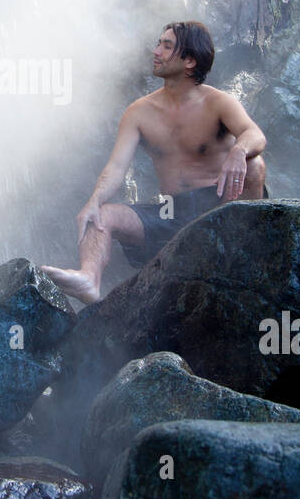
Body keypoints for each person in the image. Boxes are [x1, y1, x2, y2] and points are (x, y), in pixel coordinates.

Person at [40, 20, 267, 304]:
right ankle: (88, 278)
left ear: (189, 61)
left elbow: (255, 134)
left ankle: (243, 254)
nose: (156, 50)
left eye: (166, 46)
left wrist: (238, 151)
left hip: (222, 206)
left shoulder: (218, 102)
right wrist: (94, 201)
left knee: (255, 164)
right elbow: (117, 167)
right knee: (101, 214)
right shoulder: (138, 112)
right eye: (159, 43)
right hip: (171, 214)